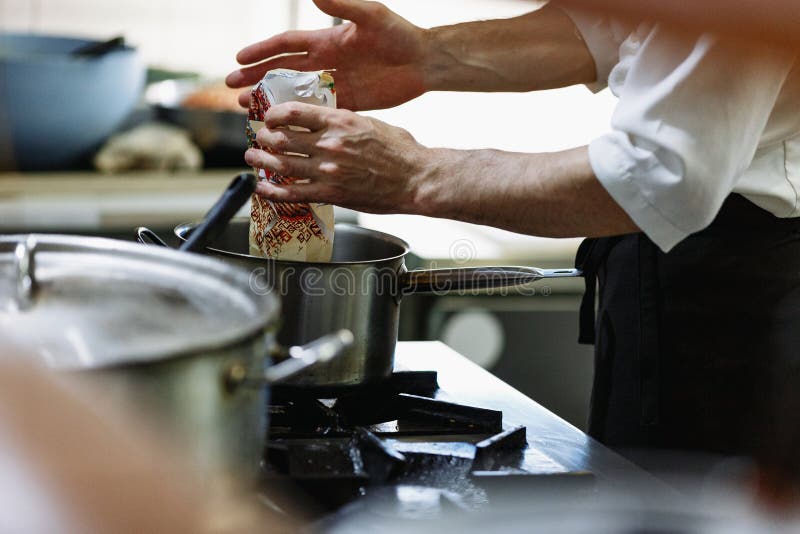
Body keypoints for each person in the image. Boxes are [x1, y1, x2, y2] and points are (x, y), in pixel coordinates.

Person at [226, 0, 800, 463]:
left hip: (741, 301)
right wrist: (428, 55)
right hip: (662, 261)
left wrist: (413, 173)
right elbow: (619, 25)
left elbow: (658, 177)